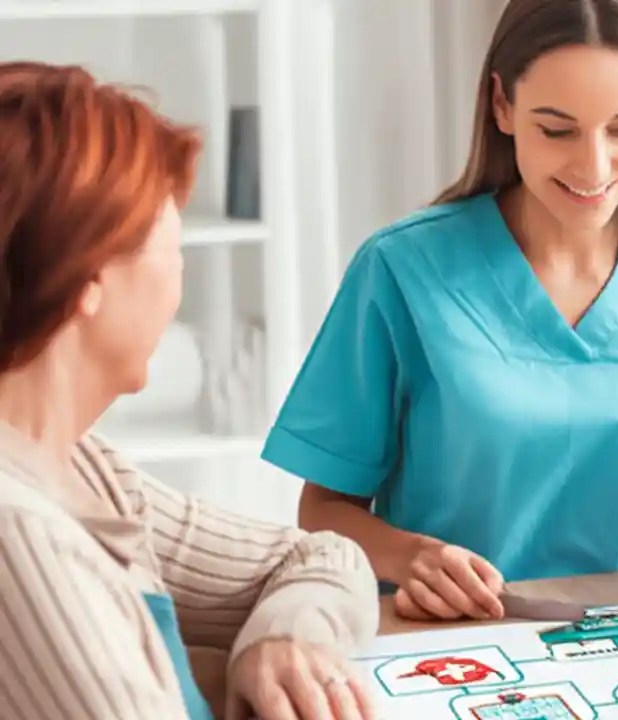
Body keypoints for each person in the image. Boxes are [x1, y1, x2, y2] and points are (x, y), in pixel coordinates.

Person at [260, 0, 618, 639]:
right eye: (557, 130)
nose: (593, 168)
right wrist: (409, 556)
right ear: (502, 105)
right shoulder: (400, 270)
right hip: (449, 642)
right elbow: (325, 507)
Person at [0, 62, 379, 720]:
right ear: (88, 281)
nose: (179, 288)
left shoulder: (82, 467)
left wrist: (281, 641)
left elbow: (321, 555)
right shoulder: (22, 536)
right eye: (173, 253)